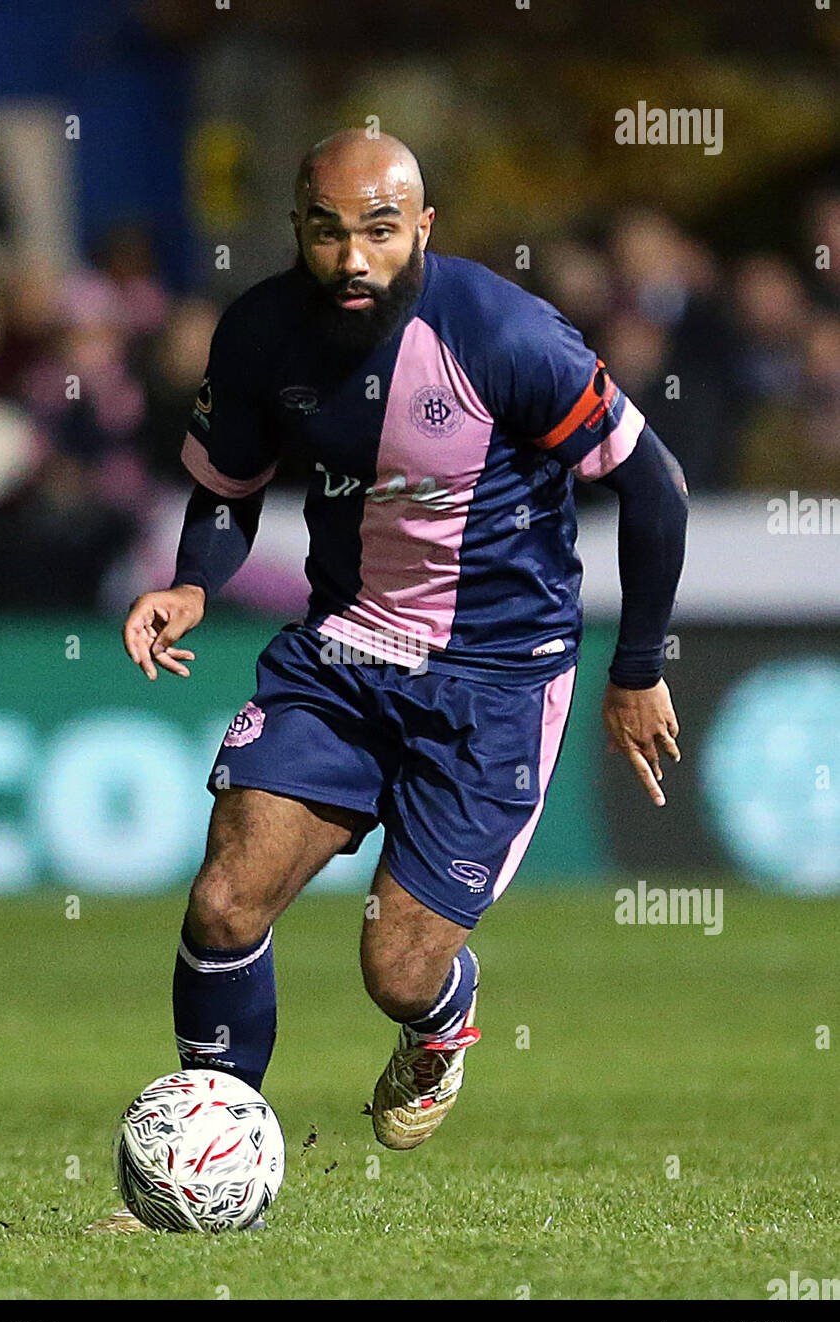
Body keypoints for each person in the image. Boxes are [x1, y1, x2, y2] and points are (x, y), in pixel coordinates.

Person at [121, 129, 687, 1163]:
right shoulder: (258, 335)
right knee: (223, 899)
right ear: (296, 228)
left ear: (422, 227)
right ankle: (207, 1154)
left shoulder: (506, 335)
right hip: (339, 658)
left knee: (399, 972)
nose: (352, 258)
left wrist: (638, 667)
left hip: (496, 683)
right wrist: (195, 581)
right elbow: (225, 490)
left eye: (379, 232)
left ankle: (440, 1019)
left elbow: (653, 485)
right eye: (328, 233)